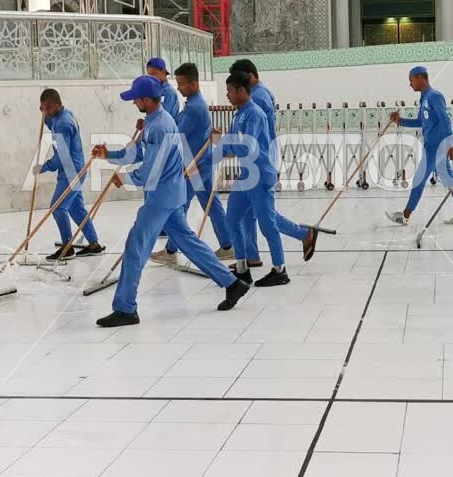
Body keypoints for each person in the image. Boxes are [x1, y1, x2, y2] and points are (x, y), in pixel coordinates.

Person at [90, 75, 248, 328]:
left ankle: (125, 308)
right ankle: (232, 284)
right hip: (171, 194)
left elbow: (151, 170)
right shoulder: (154, 121)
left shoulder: (161, 125)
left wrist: (127, 177)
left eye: (136, 99)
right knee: (189, 243)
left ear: (146, 100)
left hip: (161, 197)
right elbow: (135, 153)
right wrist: (108, 154)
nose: (133, 103)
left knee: (135, 247)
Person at [216, 72, 316, 288]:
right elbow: (232, 144)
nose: (227, 95)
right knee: (232, 219)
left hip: (260, 175)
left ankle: (280, 270)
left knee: (267, 224)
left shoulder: (255, 114)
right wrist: (216, 149)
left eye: (230, 91)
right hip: (245, 176)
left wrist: (226, 145)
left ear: (242, 91)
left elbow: (248, 147)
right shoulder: (238, 114)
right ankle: (242, 269)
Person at [149, 63, 235, 265]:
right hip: (200, 163)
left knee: (178, 206)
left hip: (194, 166)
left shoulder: (195, 107)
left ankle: (171, 251)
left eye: (182, 84)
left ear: (194, 83)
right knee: (210, 204)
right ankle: (228, 246)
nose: (179, 88)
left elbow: (176, 134)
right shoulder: (193, 104)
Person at [386, 66, 453, 226]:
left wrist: (448, 145)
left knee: (419, 179)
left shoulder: (434, 96)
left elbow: (446, 121)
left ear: (420, 78)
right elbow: (420, 122)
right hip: (431, 146)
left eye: (411, 80)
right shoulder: (424, 98)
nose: (410, 84)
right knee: (448, 178)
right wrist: (400, 121)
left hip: (436, 147)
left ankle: (405, 216)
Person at [33, 88, 105, 260]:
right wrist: (46, 118)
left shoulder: (62, 124)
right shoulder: (65, 114)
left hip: (71, 171)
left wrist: (42, 167)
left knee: (58, 208)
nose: (47, 112)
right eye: (44, 108)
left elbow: (61, 158)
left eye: (50, 108)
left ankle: (67, 248)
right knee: (76, 209)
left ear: (58, 104)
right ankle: (94, 244)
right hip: (76, 168)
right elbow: (53, 123)